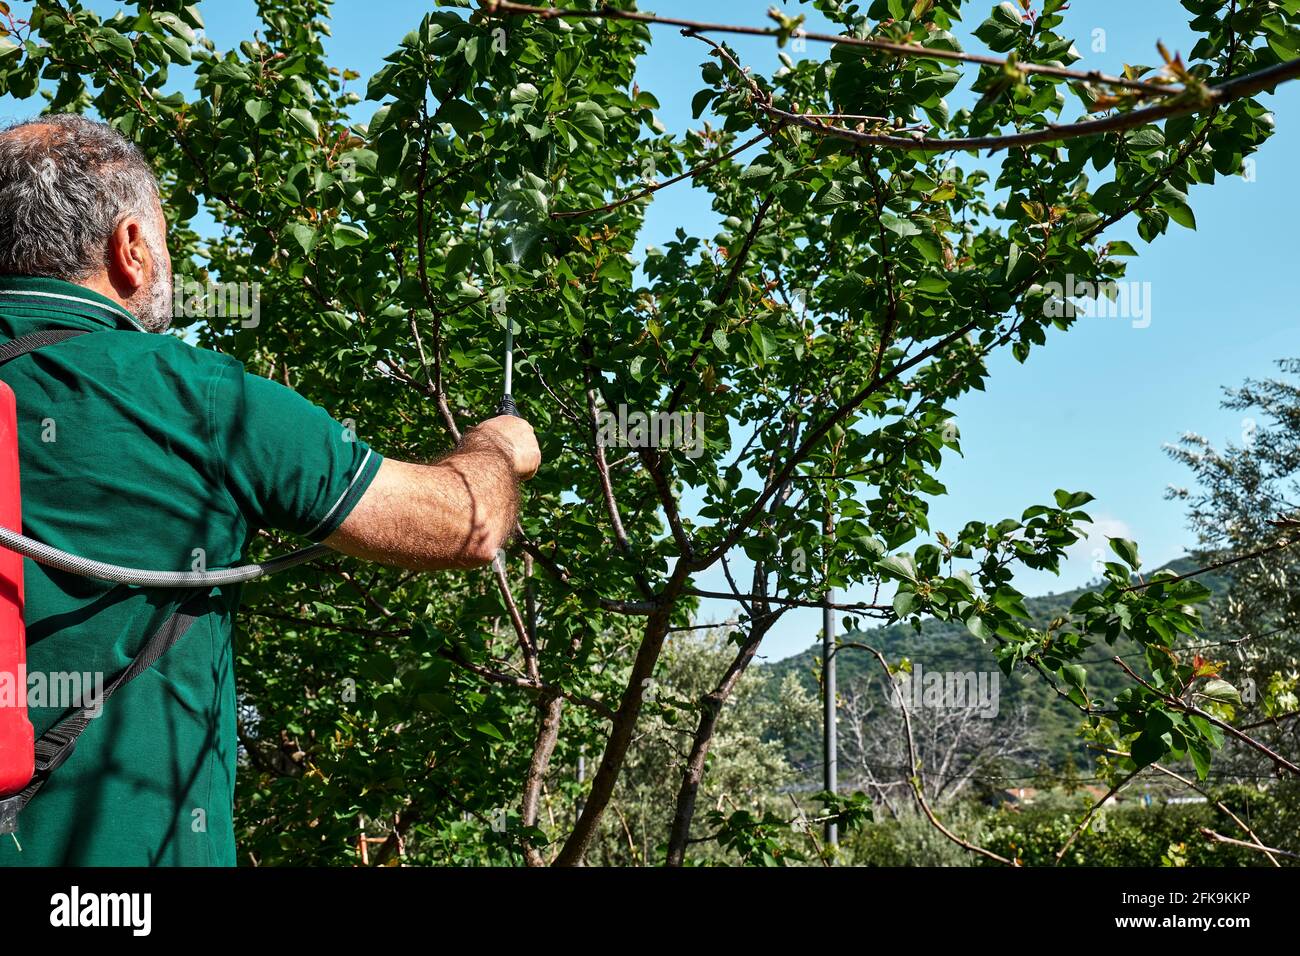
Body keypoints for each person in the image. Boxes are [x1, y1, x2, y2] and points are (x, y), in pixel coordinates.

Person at [0, 114, 540, 866]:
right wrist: (496, 448)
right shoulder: (201, 401)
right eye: (163, 244)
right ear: (129, 250)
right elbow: (466, 524)